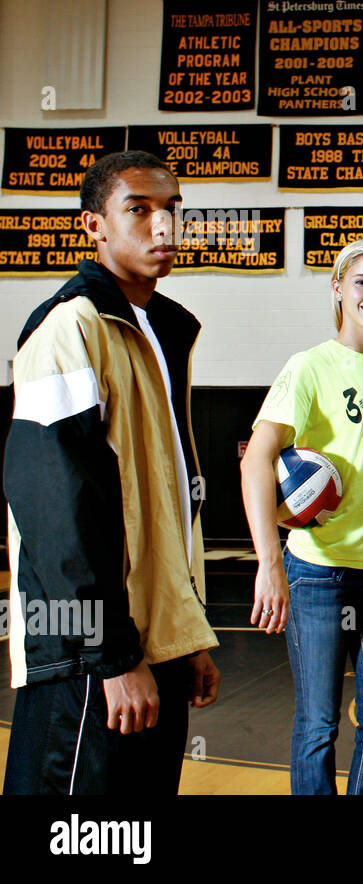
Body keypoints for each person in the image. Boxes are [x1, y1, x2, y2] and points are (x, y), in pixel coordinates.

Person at [4, 150, 220, 794]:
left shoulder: (162, 331)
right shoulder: (68, 328)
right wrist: (109, 658)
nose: (163, 227)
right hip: (91, 658)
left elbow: (167, 510)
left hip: (154, 646)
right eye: (139, 210)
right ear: (93, 226)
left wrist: (188, 637)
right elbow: (57, 510)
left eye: (172, 211)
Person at [241, 235, 363, 795]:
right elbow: (255, 463)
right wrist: (267, 565)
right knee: (319, 726)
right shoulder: (308, 368)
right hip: (319, 575)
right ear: (338, 289)